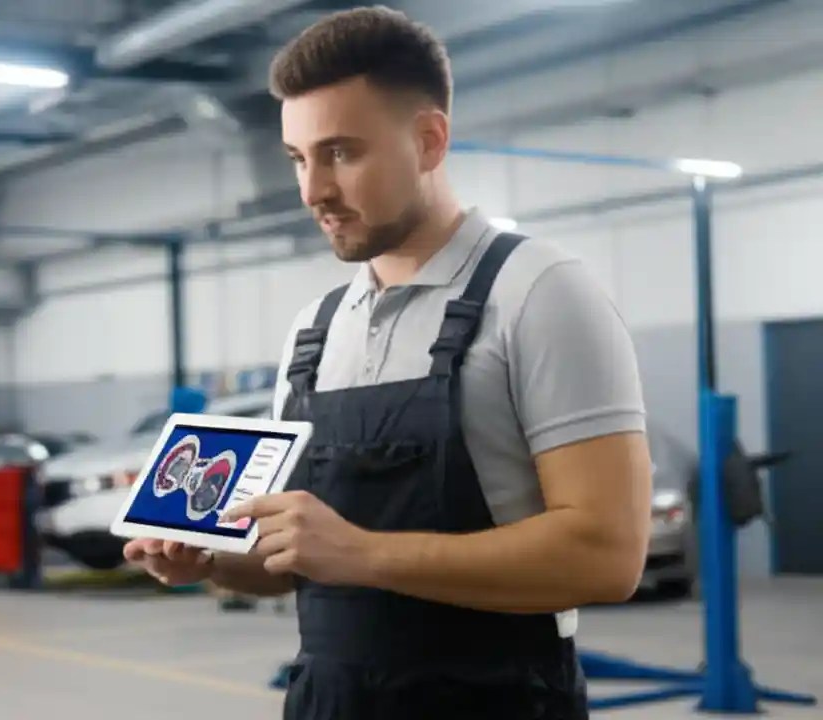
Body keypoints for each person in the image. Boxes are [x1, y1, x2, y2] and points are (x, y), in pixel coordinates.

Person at [124, 7, 653, 718]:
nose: (313, 191)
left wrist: (362, 553)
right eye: (298, 159)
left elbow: (606, 555)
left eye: (341, 152)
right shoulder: (313, 331)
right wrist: (210, 560)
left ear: (430, 140)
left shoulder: (540, 293)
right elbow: (297, 561)